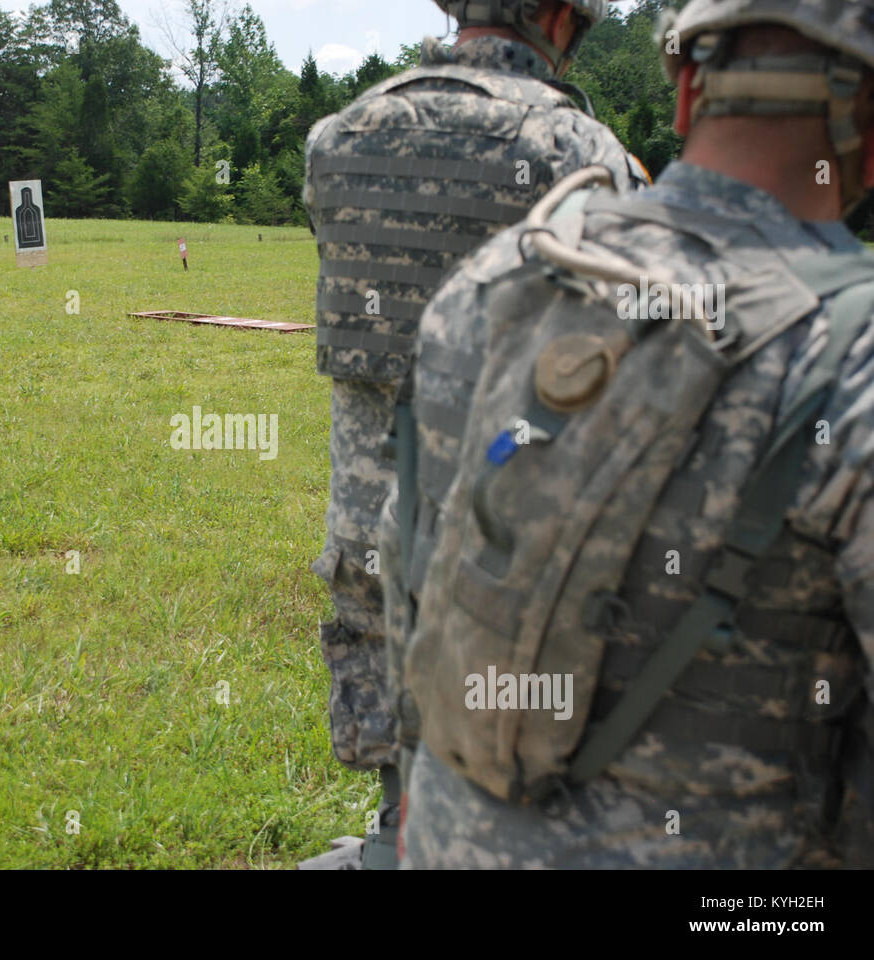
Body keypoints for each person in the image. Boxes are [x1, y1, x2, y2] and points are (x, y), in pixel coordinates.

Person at [389, 0, 874, 868]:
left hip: (449, 835)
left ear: (688, 89)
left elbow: (412, 582)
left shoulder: (500, 278)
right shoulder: (849, 354)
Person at [301, 0, 631, 870]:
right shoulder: (578, 155)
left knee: (392, 659)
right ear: (563, 18)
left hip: (368, 522)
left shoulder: (340, 135)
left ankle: (394, 836)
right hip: (505, 518)